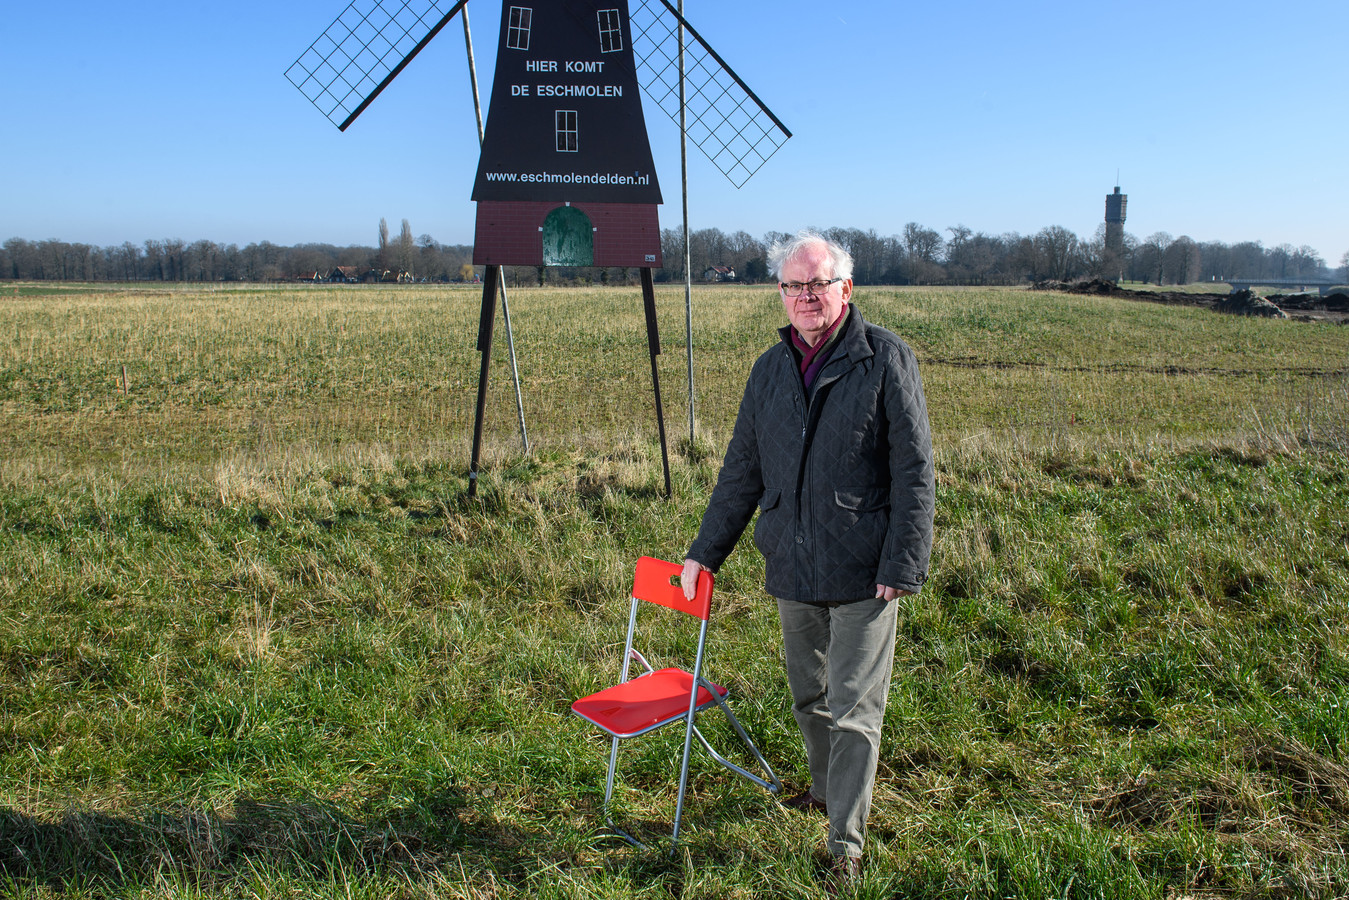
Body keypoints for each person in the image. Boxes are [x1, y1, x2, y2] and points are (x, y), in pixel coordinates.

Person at [680, 230, 934, 886]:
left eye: (818, 284)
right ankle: (824, 791)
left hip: (864, 571)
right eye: (794, 286)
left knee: (854, 707)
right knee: (809, 698)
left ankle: (845, 846)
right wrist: (704, 553)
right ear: (780, 293)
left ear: (845, 289)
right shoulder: (768, 370)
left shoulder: (883, 359)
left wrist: (902, 563)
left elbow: (913, 469)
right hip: (792, 563)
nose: (806, 297)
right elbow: (742, 469)